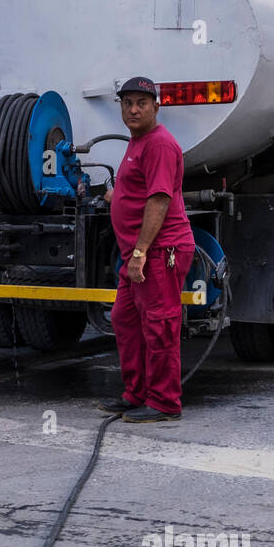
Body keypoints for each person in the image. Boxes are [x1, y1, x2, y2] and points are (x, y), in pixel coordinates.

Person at [100, 77, 197, 422]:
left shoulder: (158, 144)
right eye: (127, 103)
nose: (134, 109)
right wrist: (116, 198)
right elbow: (140, 191)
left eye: (142, 102)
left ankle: (164, 403)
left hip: (159, 251)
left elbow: (159, 199)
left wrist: (140, 253)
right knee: (124, 318)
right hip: (138, 254)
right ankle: (136, 394)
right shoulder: (138, 141)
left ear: (157, 107)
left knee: (160, 325)